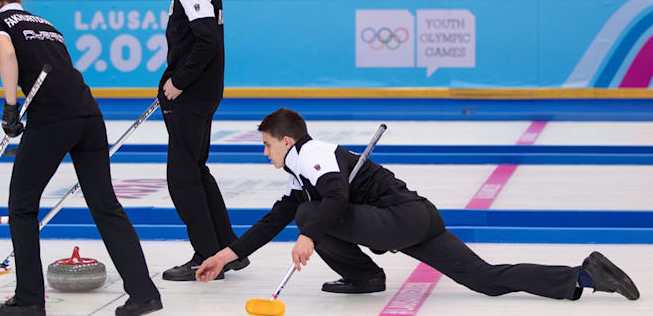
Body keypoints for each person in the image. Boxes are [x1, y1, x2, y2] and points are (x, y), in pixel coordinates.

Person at [196, 108, 640, 302]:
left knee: (311, 215)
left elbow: (333, 197)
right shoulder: (304, 170)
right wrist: (226, 254)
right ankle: (583, 277)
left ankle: (365, 275)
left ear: (287, 140)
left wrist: (310, 235)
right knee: (484, 279)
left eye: (267, 145)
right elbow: (275, 218)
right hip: (418, 216)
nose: (265, 153)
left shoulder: (313, 155)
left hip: (398, 218)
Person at [0, 0, 162, 316]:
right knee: (106, 205)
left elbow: (8, 53)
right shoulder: (46, 24)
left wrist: (10, 106)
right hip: (89, 114)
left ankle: (30, 300)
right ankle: (144, 294)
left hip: (51, 119)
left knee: (21, 206)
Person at [153, 0, 249, 281]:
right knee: (195, 171)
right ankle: (228, 250)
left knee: (182, 179)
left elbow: (208, 40)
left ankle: (207, 256)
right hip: (200, 94)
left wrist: (178, 81)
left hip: (192, 96)